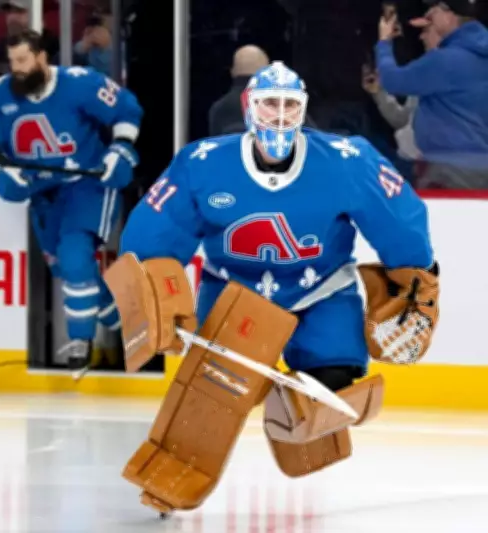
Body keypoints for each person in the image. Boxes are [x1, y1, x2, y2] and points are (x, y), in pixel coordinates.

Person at [106, 61, 440, 515]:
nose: (280, 116)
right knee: (211, 400)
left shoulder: (347, 160)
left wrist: (418, 272)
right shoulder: (203, 163)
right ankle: (172, 474)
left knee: (331, 388)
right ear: (249, 107)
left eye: (289, 105)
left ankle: (296, 412)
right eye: (269, 105)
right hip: (233, 293)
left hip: (321, 291)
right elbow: (155, 230)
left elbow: (398, 216)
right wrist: (152, 287)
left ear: (303, 109)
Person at [0, 29, 142, 374]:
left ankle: (81, 343)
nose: (17, 68)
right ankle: (126, 322)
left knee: (75, 256)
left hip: (87, 185)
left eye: (23, 59)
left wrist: (121, 148)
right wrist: (1, 174)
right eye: (12, 61)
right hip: (44, 193)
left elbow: (127, 110)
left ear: (41, 56)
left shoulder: (80, 83)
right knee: (66, 268)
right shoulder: (0, 94)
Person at [375, 0, 488, 188]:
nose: (429, 15)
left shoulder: (446, 61)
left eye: (433, 12)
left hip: (449, 170)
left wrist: (384, 42)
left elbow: (392, 80)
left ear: (449, 15)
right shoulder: (480, 55)